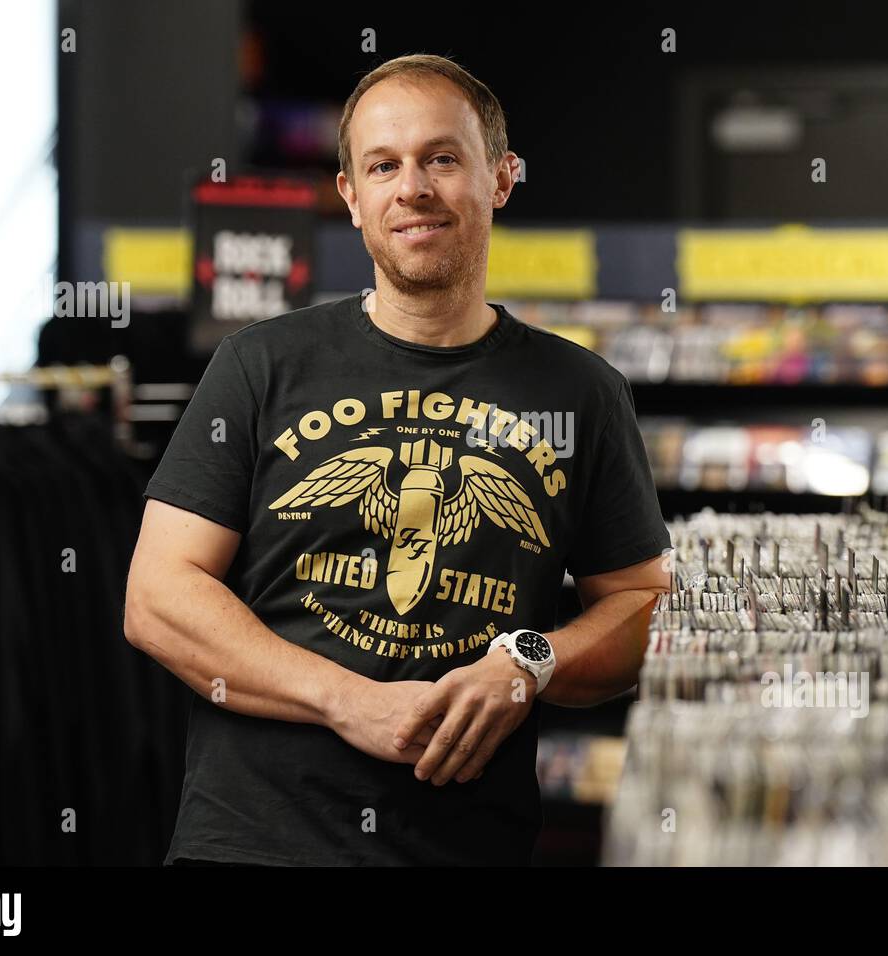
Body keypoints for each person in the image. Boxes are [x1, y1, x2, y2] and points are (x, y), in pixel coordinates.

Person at [124, 53, 672, 866]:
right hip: (250, 844)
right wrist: (348, 703)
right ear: (350, 197)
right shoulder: (260, 366)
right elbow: (157, 598)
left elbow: (644, 607)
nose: (411, 188)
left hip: (464, 845)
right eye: (383, 165)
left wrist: (531, 661)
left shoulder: (582, 393)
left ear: (502, 177)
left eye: (442, 159)